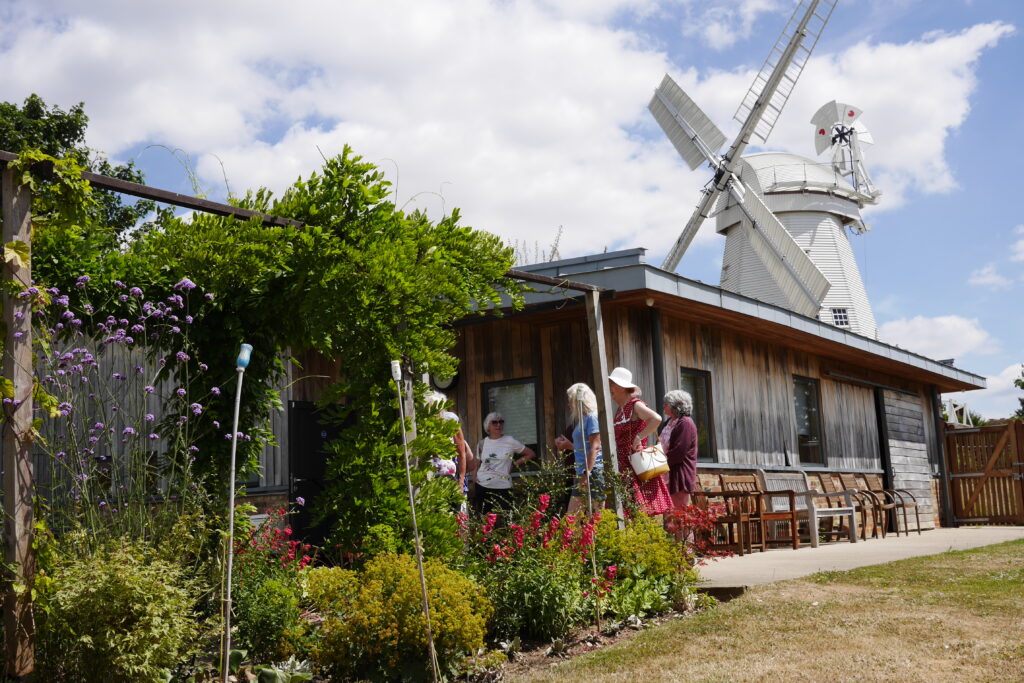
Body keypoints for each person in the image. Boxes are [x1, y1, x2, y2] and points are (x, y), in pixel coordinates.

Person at [608, 366, 672, 516]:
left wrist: (639, 437)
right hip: (622, 466)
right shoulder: (619, 410)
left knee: (639, 511)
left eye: (612, 384)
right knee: (626, 511)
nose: (610, 388)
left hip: (636, 465)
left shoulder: (635, 404)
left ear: (620, 387)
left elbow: (656, 419)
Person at [474, 411, 536, 513]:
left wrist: (514, 464)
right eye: (494, 422)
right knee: (484, 520)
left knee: (506, 519)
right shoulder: (482, 443)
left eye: (501, 422)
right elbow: (477, 462)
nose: (498, 425)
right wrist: (474, 477)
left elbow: (530, 454)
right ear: (488, 426)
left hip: (503, 486)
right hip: (483, 485)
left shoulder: (510, 441)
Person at [559, 383, 605, 515]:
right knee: (573, 517)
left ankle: (599, 536)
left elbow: (595, 447)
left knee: (597, 515)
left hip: (593, 471)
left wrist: (587, 473)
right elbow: (583, 447)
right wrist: (568, 445)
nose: (569, 404)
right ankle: (577, 536)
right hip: (582, 472)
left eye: (570, 400)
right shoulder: (583, 419)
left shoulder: (592, 417)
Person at [660, 389, 698, 508]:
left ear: (676, 406)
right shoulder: (670, 422)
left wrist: (660, 461)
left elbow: (679, 451)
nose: (663, 406)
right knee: (668, 514)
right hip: (666, 473)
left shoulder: (685, 423)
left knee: (677, 516)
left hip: (678, 476)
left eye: (666, 404)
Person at [428, 391, 469, 495]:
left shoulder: (450, 421)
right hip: (430, 478)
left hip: (449, 477)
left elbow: (461, 453)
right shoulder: (425, 425)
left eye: (437, 408)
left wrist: (461, 481)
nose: (435, 412)